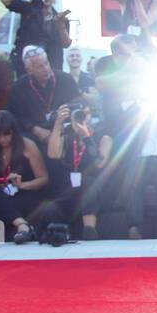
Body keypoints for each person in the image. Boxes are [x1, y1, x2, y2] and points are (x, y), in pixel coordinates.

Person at [0, 110, 50, 244]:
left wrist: (22, 185)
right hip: (1, 194)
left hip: (25, 192)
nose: (3, 139)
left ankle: (4, 232)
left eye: (7, 134)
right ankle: (21, 224)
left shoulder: (28, 146)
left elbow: (43, 179)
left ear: (14, 132)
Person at [46, 102, 113, 240]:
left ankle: (89, 230)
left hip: (96, 191)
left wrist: (87, 138)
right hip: (72, 190)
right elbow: (53, 154)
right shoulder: (68, 138)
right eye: (79, 115)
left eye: (87, 114)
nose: (83, 118)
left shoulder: (103, 138)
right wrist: (58, 124)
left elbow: (100, 163)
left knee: (88, 181)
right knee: (50, 207)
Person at [2, 0, 72, 74]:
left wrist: (61, 26)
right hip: (27, 68)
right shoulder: (28, 9)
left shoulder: (61, 17)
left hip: (53, 67)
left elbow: (66, 44)